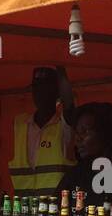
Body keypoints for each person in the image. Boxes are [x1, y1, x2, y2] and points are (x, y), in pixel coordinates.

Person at [7, 65, 76, 196]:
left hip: (55, 211)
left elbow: (69, 105)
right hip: (24, 210)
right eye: (36, 88)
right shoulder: (20, 124)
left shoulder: (63, 126)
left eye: (46, 89)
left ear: (57, 93)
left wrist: (61, 65)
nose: (40, 94)